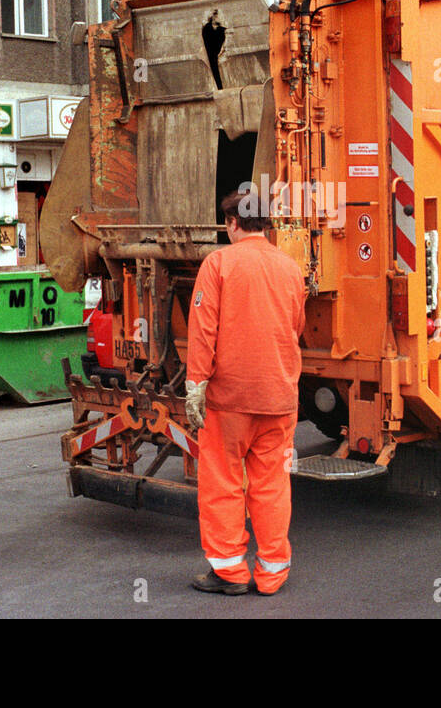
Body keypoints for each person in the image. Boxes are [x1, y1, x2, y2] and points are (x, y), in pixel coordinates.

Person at [186, 189, 306, 596]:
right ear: (267, 224)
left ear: (231, 224)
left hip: (230, 400)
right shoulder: (290, 268)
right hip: (278, 397)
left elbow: (203, 331)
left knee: (223, 483)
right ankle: (272, 574)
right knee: (272, 484)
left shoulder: (218, 262)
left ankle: (230, 573)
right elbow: (296, 326)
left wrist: (195, 386)